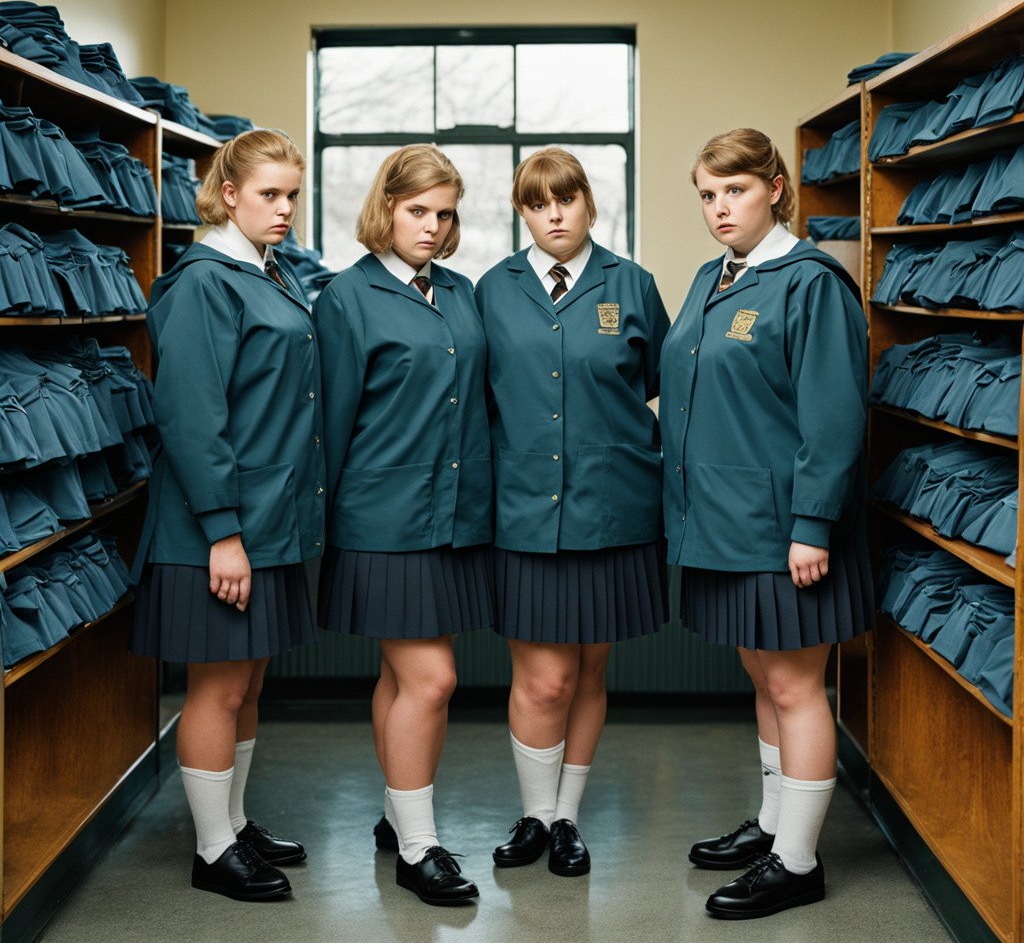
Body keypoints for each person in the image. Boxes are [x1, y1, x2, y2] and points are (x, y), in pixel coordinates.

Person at [661, 128, 872, 918]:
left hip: (786, 529)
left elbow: (835, 416)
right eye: (708, 195)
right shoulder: (712, 279)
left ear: (776, 188)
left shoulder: (809, 281)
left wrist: (812, 524)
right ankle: (777, 822)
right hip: (724, 521)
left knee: (795, 686)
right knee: (763, 678)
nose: (720, 208)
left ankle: (798, 862)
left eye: (736, 191)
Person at [129, 130, 324, 901]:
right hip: (218, 530)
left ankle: (233, 823)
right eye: (268, 194)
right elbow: (190, 417)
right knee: (216, 688)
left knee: (246, 685)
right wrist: (224, 534)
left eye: (292, 196)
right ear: (229, 193)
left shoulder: (265, 273)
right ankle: (213, 851)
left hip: (264, 519)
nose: (283, 210)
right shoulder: (205, 282)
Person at [475, 148, 670, 877]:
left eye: (566, 199)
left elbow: (655, 384)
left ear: (590, 202)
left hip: (614, 508)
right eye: (536, 203)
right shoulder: (493, 289)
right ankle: (533, 814)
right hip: (525, 511)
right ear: (522, 212)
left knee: (589, 672)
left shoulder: (634, 285)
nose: (554, 214)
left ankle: (566, 821)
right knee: (543, 680)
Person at [315, 144, 492, 906]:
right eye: (418, 210)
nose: (432, 225)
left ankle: (398, 813)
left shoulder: (459, 292)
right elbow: (329, 420)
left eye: (445, 213)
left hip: (455, 517)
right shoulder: (345, 299)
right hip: (384, 518)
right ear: (386, 208)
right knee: (435, 679)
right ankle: (420, 848)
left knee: (401, 677)